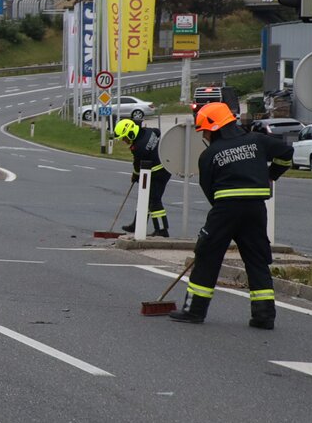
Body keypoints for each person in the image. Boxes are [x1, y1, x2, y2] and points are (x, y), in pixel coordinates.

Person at [170, 102, 291, 327]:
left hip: (225, 209)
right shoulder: (257, 141)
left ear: (214, 128)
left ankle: (194, 310)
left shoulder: (209, 155)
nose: (204, 136)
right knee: (256, 259)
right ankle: (264, 316)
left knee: (207, 255)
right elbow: (286, 153)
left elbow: (209, 189)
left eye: (205, 131)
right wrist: (271, 175)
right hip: (256, 208)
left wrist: (220, 221)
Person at [115, 117, 170, 238]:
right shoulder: (148, 131)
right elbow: (158, 132)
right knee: (144, 198)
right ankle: (137, 224)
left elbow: (138, 165)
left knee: (154, 201)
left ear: (131, 133)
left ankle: (162, 230)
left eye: (124, 138)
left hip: (158, 172)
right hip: (163, 167)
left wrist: (135, 176)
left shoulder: (139, 147)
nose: (124, 141)